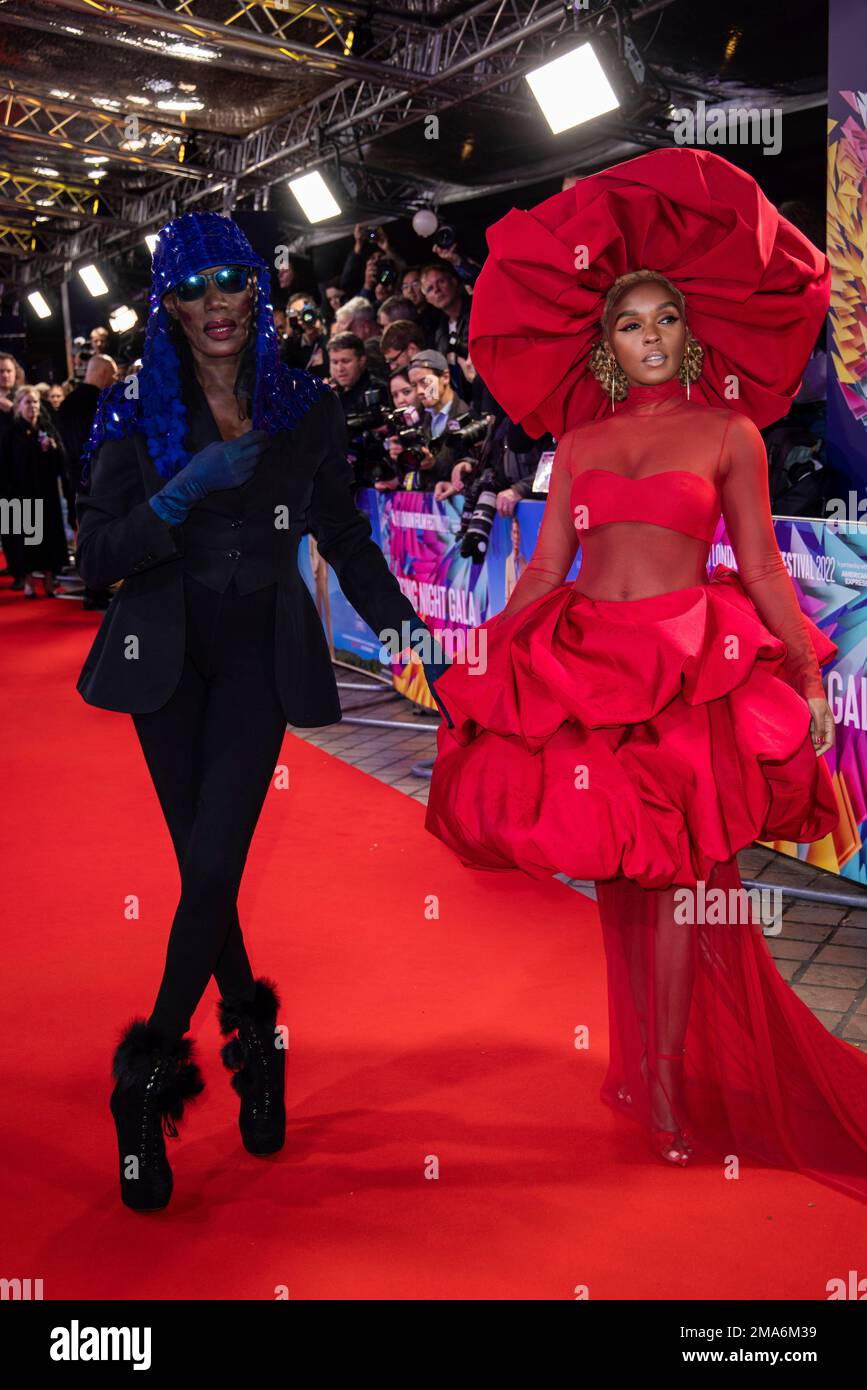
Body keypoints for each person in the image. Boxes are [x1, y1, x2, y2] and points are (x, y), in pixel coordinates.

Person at [424, 147, 867, 1204]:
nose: (653, 335)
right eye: (632, 321)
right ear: (607, 340)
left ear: (690, 328)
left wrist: (807, 677)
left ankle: (666, 1082)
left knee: (675, 886)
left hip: (685, 675)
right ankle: (644, 1068)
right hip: (589, 667)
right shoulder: (577, 440)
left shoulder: (731, 433)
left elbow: (761, 565)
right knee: (626, 882)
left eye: (666, 317)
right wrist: (484, 657)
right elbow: (542, 565)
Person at [74, 210, 450, 1212]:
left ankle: (145, 1076)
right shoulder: (134, 408)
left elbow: (347, 537)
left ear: (257, 289)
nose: (215, 306)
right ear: (168, 304)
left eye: (231, 282)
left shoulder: (301, 407)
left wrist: (406, 632)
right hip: (161, 655)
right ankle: (252, 1040)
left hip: (254, 656)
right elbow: (94, 556)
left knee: (210, 862)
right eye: (192, 289)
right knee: (209, 868)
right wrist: (179, 493)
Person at [5, 385, 69, 597]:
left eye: (35, 402)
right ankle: (29, 582)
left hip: (47, 493)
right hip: (20, 495)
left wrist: (52, 448)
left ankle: (50, 580)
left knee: (49, 539)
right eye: (27, 402)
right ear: (18, 406)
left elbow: (62, 459)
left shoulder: (48, 427)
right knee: (26, 541)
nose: (32, 406)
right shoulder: (11, 431)